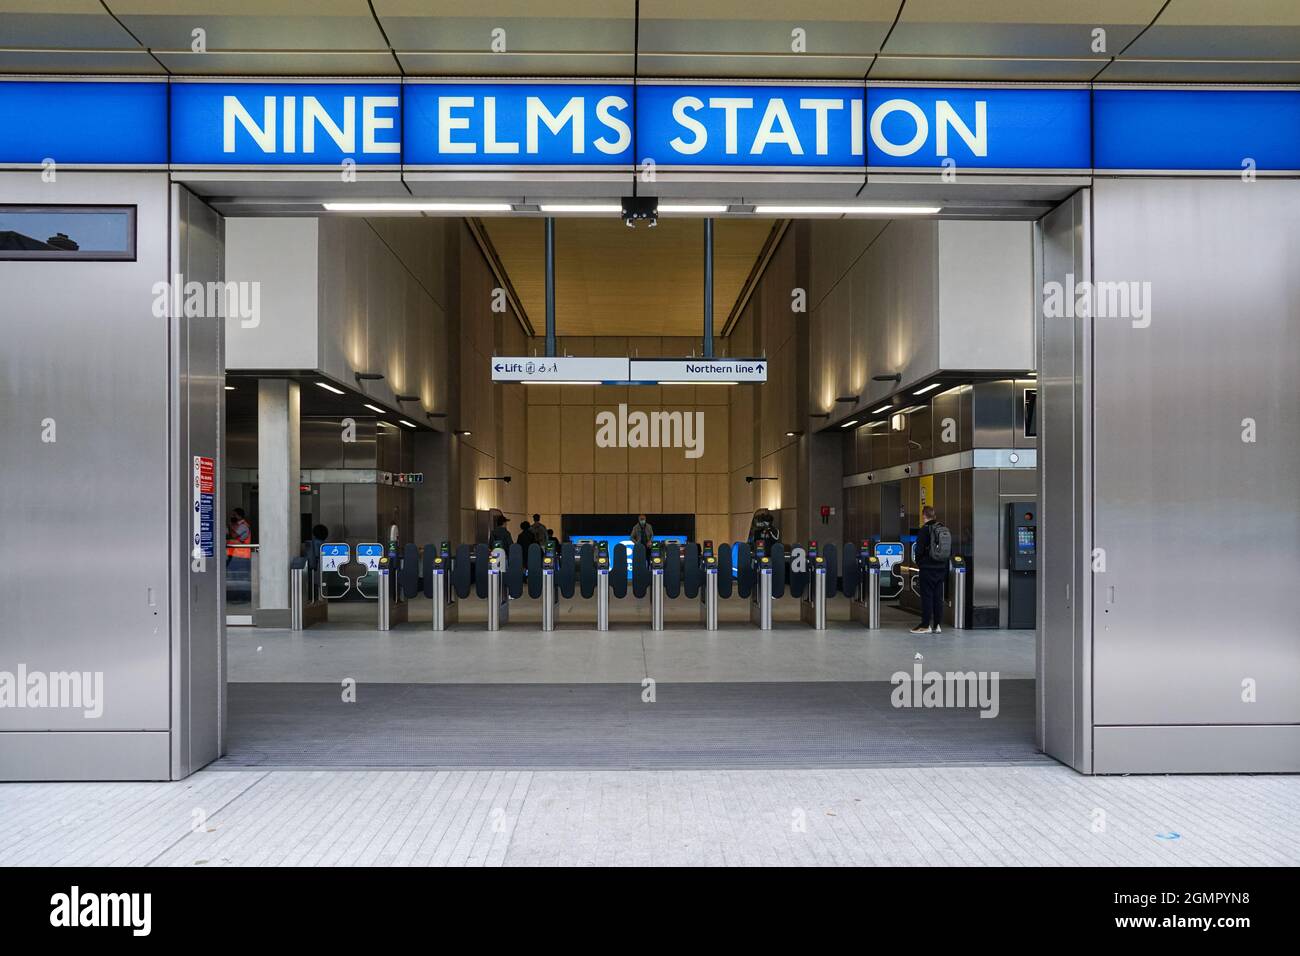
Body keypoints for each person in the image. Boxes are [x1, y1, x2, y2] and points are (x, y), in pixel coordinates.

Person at [912, 505, 949, 634]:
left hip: (927, 568)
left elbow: (919, 550)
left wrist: (920, 563)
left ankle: (925, 625)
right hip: (941, 568)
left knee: (927, 596)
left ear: (924, 516)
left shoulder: (925, 530)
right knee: (938, 597)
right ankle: (937, 625)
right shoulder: (942, 528)